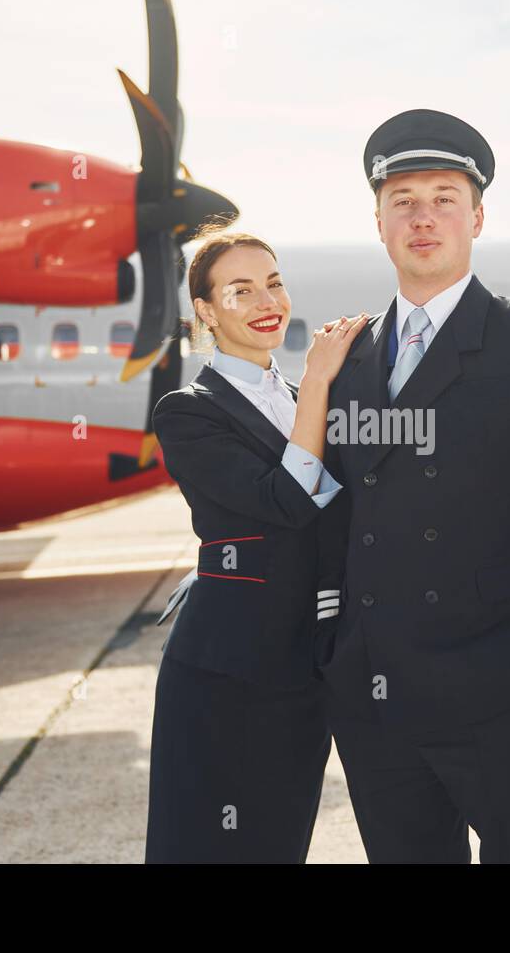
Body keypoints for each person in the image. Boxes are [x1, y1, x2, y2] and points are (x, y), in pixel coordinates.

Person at [314, 109, 510, 863]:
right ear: (377, 220)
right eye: (403, 200)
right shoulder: (346, 358)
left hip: (502, 685)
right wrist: (331, 648)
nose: (423, 218)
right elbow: (332, 507)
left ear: (478, 216)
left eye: (445, 198)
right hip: (375, 688)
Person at [144, 228, 367, 862]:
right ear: (207, 313)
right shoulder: (188, 412)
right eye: (241, 290)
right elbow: (286, 502)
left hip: (303, 663)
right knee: (198, 844)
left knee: (278, 838)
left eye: (273, 282)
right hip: (225, 665)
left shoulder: (298, 400)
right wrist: (322, 379)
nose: (267, 300)